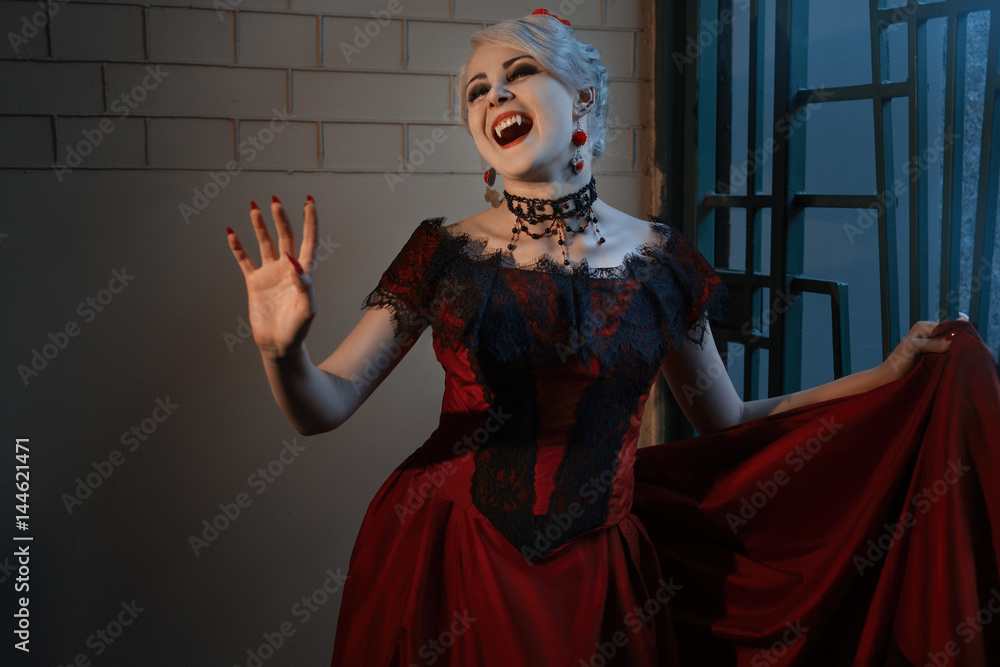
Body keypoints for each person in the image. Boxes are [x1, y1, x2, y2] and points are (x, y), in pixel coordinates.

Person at [226, 11, 1000, 667]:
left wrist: (885, 376)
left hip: (606, 574)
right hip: (448, 559)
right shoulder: (444, 250)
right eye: (475, 91)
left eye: (518, 72)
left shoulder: (660, 259)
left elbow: (726, 420)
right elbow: (321, 408)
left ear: (583, 98)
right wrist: (280, 350)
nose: (493, 93)